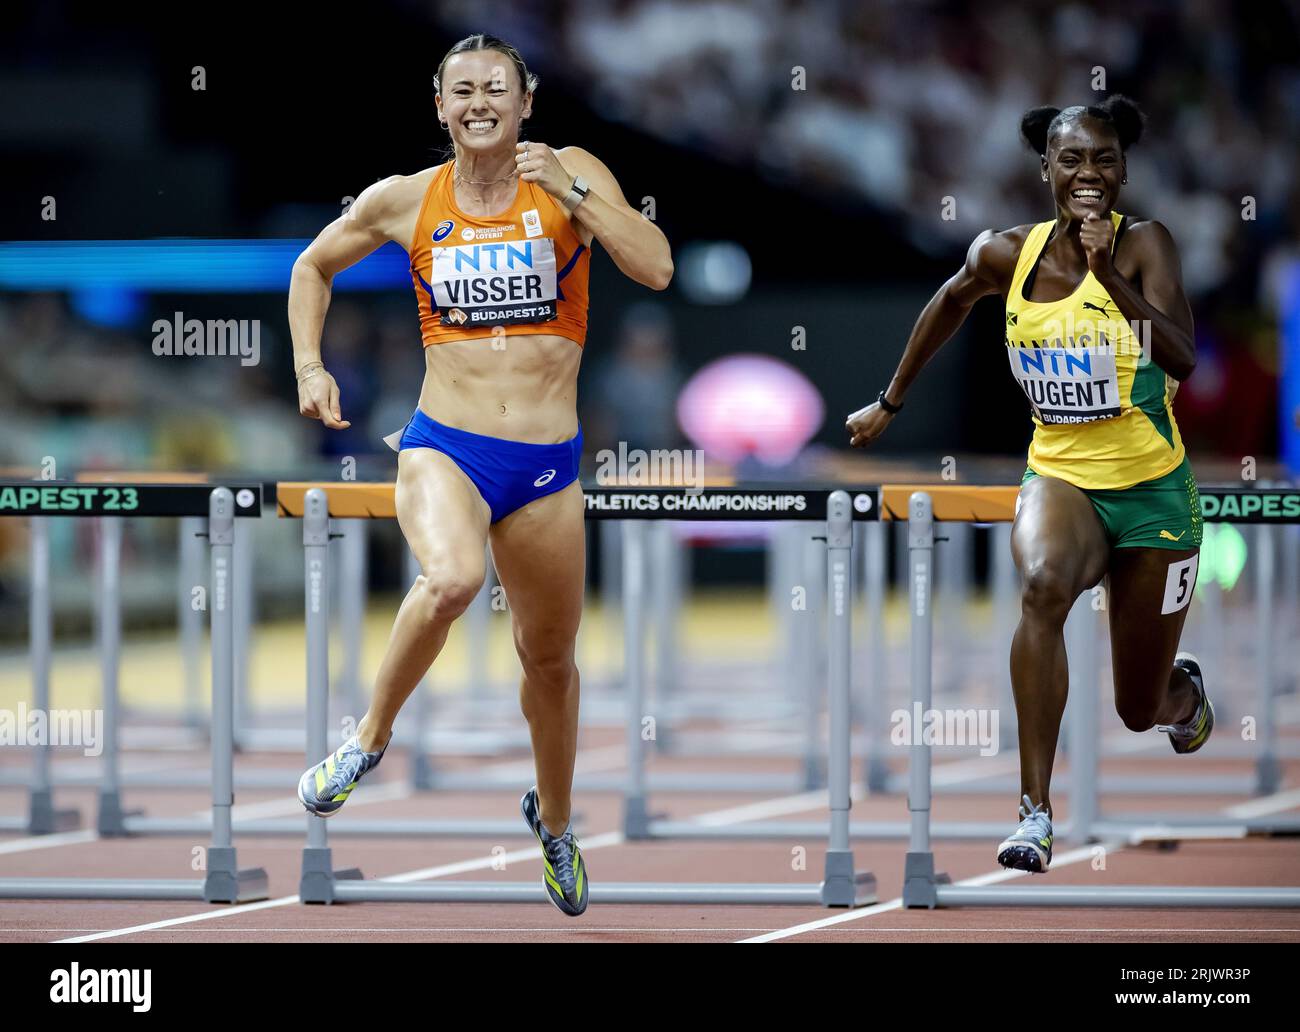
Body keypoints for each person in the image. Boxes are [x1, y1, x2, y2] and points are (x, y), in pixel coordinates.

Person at [286, 32, 673, 915]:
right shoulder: (404, 198)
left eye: (495, 87)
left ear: (526, 99)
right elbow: (313, 266)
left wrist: (573, 192)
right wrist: (310, 366)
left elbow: (654, 266)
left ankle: (558, 824)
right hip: (444, 444)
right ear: (439, 105)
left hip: (545, 466)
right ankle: (366, 741)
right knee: (455, 578)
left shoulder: (570, 172)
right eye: (461, 90)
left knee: (549, 662)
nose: (478, 103)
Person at [845, 95, 1211, 873]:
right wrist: (890, 401)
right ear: (1045, 167)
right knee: (1043, 586)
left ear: (1124, 171)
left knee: (1138, 709)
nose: (1088, 174)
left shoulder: (1148, 245)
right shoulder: (1004, 254)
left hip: (1152, 489)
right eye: (1071, 159)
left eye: (1104, 160)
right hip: (1061, 473)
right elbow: (947, 303)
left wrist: (1110, 276)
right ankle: (1034, 812)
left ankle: (1186, 697)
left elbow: (1181, 356)